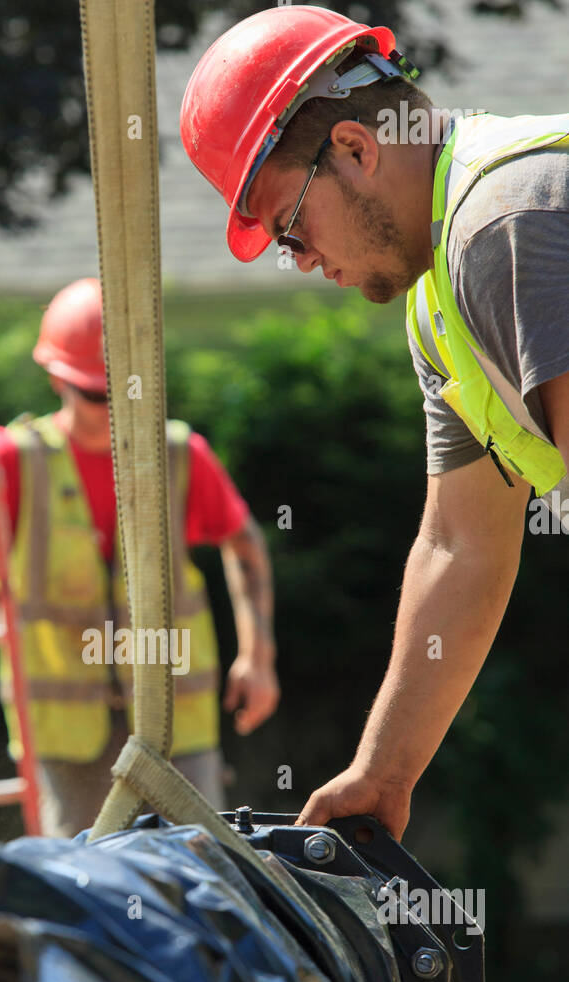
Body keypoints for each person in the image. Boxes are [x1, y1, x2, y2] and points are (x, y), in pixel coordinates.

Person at [181, 5, 569, 840]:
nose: (303, 262)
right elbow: (458, 544)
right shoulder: (439, 298)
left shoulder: (504, 227)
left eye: (290, 227)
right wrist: (382, 772)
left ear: (356, 149)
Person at [0, 278, 279, 836]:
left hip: (173, 724)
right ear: (57, 378)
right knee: (84, 889)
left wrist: (258, 655)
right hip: (67, 738)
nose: (109, 409)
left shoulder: (180, 455)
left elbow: (244, 541)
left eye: (121, 392)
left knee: (203, 877)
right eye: (94, 394)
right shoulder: (16, 459)